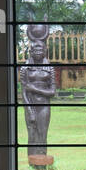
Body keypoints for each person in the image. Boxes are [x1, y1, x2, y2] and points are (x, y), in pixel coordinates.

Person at [19, 23, 56, 160]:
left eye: (41, 50)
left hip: (44, 105)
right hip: (30, 104)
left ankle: (42, 158)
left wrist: (34, 88)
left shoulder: (49, 69)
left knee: (43, 132)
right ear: (31, 52)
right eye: (36, 50)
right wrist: (29, 110)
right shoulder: (25, 69)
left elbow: (52, 92)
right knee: (32, 132)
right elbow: (24, 92)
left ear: (45, 51)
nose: (38, 53)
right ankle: (32, 159)